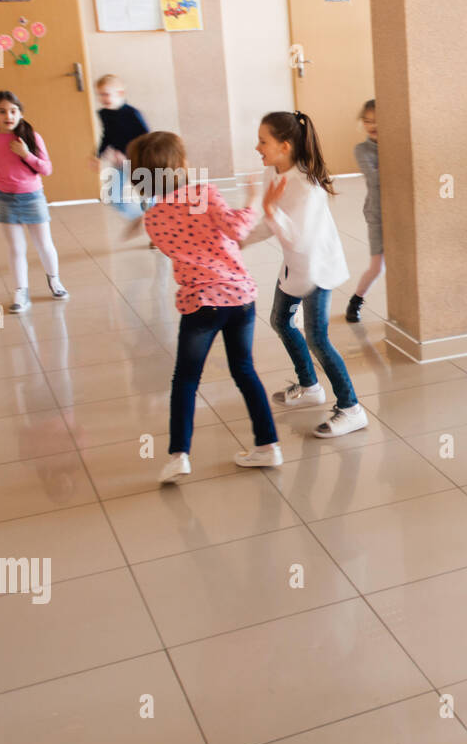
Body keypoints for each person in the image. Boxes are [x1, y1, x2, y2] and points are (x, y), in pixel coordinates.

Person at [129, 131, 281, 484]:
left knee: (185, 379)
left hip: (201, 304)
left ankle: (179, 456)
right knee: (244, 370)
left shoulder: (153, 219)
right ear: (180, 164)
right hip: (240, 297)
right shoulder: (204, 193)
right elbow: (238, 229)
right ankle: (268, 445)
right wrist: (254, 198)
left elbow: (174, 251)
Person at [252, 110, 368, 438]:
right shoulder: (272, 174)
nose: (257, 147)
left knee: (317, 339)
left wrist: (271, 212)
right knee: (280, 321)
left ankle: (351, 408)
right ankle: (310, 386)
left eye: (263, 141)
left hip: (316, 267)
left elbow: (297, 239)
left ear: (285, 146)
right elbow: (270, 224)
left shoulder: (306, 186)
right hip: (294, 265)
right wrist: (236, 240)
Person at [0, 90, 67, 312]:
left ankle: (55, 281)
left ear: (20, 113)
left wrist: (26, 154)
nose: (9, 116)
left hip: (32, 197)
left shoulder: (31, 136)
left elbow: (46, 169)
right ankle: (20, 291)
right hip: (5, 199)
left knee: (44, 244)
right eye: (2, 111)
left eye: (14, 111)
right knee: (16, 248)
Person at [90, 74, 151, 224]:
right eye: (100, 95)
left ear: (120, 93)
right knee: (113, 196)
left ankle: (155, 224)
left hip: (139, 160)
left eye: (106, 94)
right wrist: (97, 156)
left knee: (148, 195)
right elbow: (107, 136)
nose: (102, 98)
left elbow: (146, 138)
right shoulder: (104, 114)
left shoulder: (132, 113)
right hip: (120, 162)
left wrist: (130, 155)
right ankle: (138, 218)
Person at [345, 99, 382, 323]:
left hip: (402, 215)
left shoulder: (399, 143)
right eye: (367, 121)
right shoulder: (362, 150)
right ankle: (356, 300)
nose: (372, 125)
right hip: (377, 215)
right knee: (377, 266)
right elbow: (375, 178)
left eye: (377, 121)